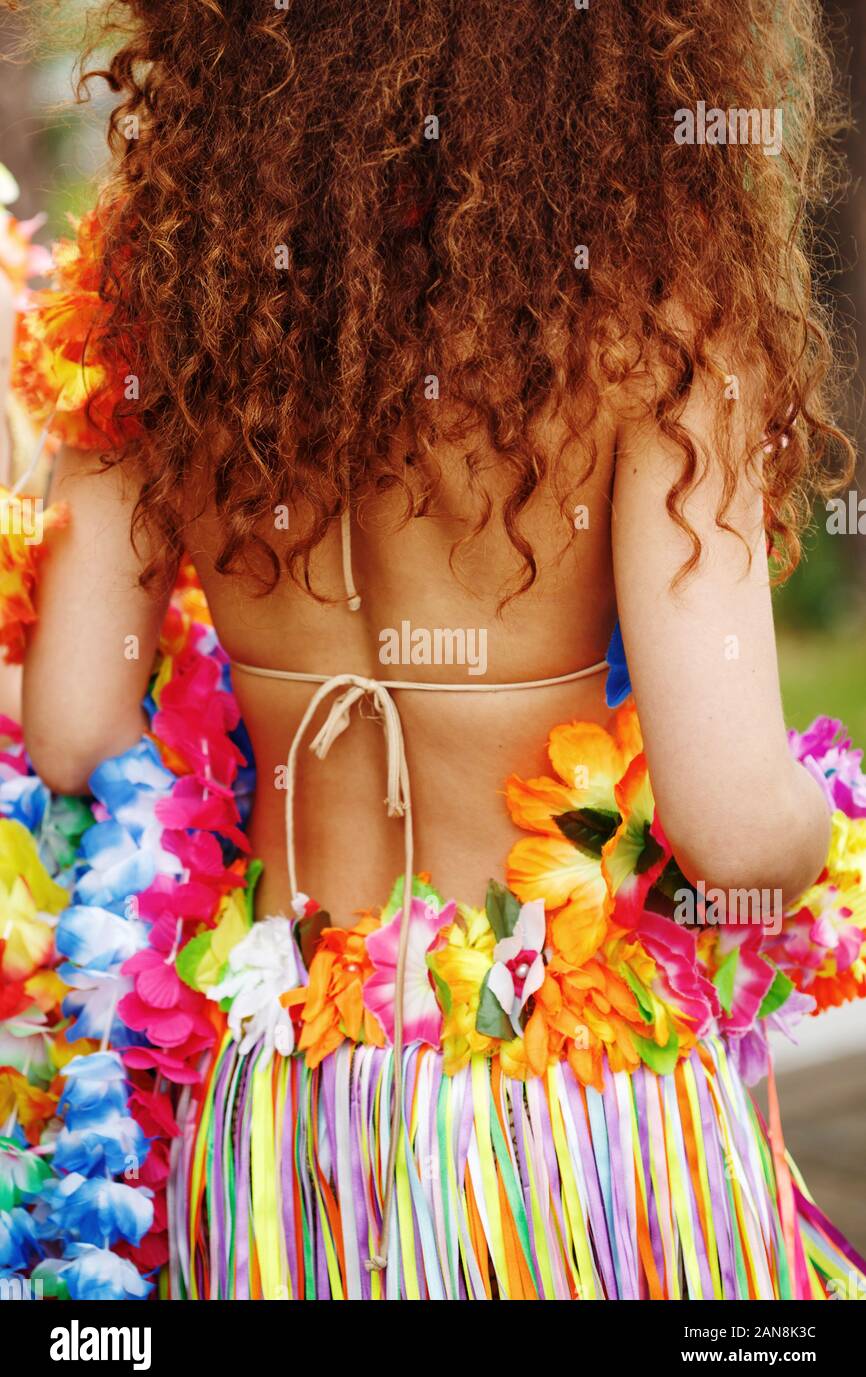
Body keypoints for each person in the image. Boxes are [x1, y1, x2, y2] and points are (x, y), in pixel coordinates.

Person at [3, 0, 866, 1300]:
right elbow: (734, 826)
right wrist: (828, 842)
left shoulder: (155, 285)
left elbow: (73, 724)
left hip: (285, 1107)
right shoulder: (653, 300)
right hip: (569, 1117)